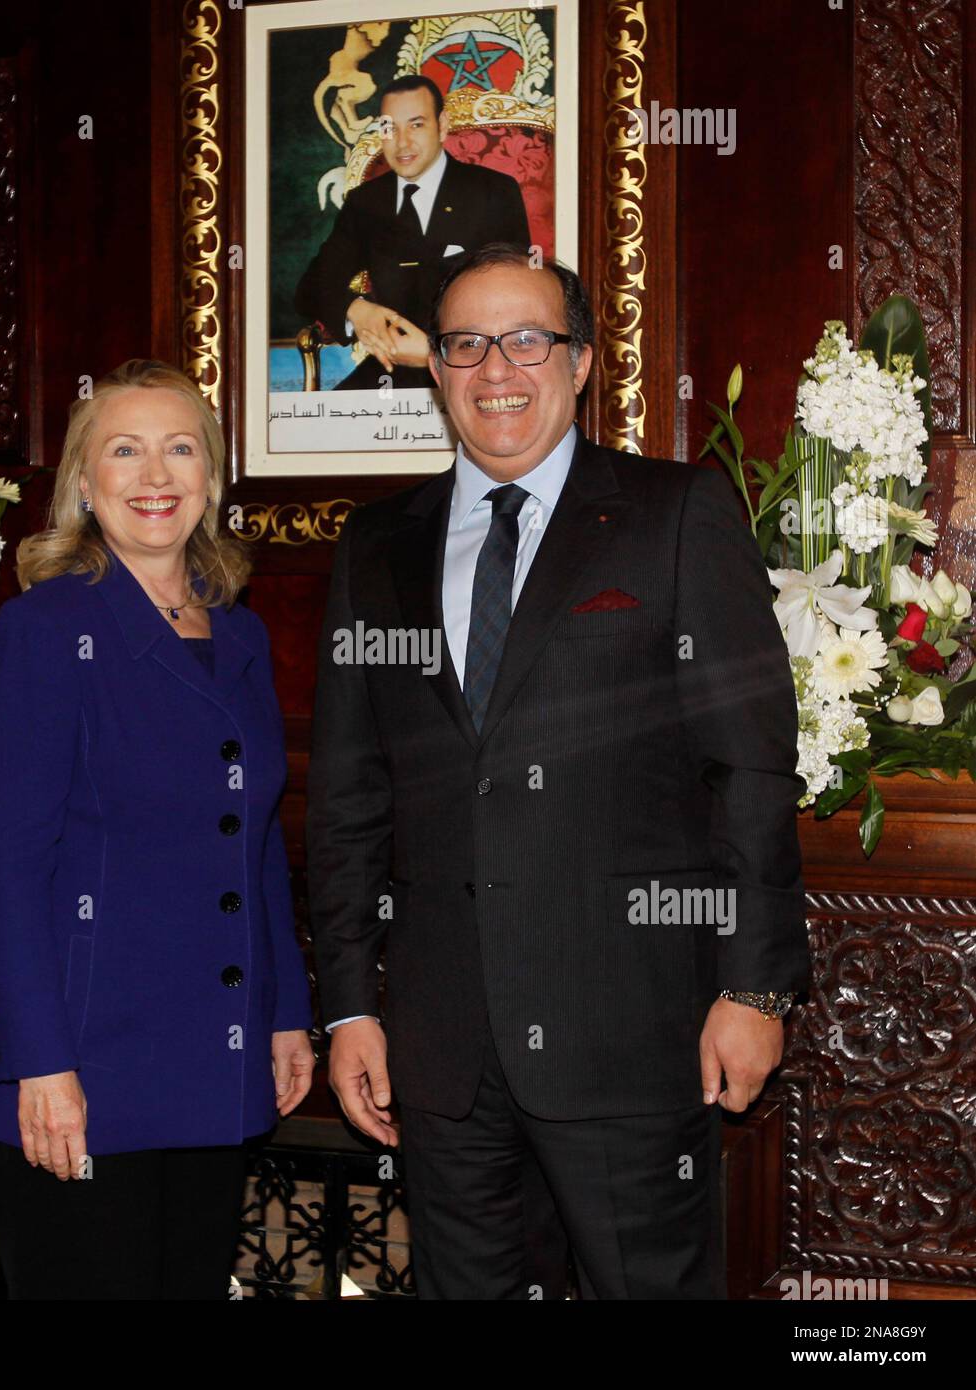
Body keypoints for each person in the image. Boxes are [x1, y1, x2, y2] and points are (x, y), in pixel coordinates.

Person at [306, 243, 809, 1299]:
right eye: (466, 344)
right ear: (434, 367)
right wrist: (349, 1005)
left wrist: (753, 985)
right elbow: (350, 797)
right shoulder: (372, 548)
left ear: (581, 362)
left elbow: (751, 770)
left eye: (528, 339)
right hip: (439, 1053)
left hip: (628, 1032)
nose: (498, 368)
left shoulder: (676, 516)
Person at [0, 359, 315, 1299]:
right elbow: (8, 863)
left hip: (216, 1051)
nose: (154, 474)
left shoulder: (238, 633)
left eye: (179, 449)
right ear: (84, 482)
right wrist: (38, 1063)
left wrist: (285, 1012)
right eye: (125, 450)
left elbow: (258, 842)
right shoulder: (45, 629)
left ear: (209, 479)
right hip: (83, 1057)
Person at [294, 74, 530, 391]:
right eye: (390, 128)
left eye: (416, 125)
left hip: (476, 370)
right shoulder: (367, 202)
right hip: (389, 372)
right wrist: (357, 310)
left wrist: (436, 355)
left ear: (442, 125)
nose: (402, 143)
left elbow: (517, 301)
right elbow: (311, 287)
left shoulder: (493, 192)